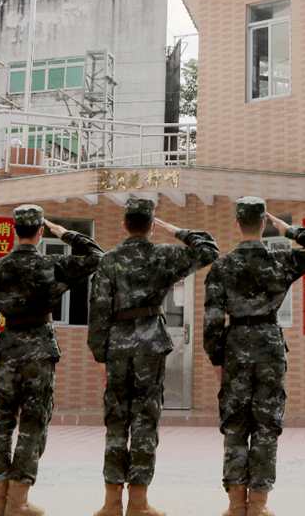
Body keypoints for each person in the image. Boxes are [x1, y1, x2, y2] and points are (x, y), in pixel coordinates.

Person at [87, 197, 219, 516]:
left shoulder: (109, 260)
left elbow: (98, 311)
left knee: (117, 422)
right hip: (150, 344)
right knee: (145, 421)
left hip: (117, 345)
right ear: (150, 224)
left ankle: (110, 502)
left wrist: (100, 355)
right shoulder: (163, 255)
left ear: (124, 224)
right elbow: (209, 250)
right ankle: (139, 502)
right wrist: (177, 230)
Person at [203, 199, 305, 516]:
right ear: (263, 223)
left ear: (237, 223)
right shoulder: (281, 260)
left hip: (234, 346)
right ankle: (259, 504)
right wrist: (289, 229)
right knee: (266, 425)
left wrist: (217, 360)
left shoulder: (222, 266)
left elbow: (211, 322)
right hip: (269, 347)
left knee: (235, 426)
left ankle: (236, 504)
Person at [0, 205, 104, 516]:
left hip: (7, 350)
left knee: (2, 426)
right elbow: (96, 256)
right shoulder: (51, 265)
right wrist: (65, 231)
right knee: (33, 424)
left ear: (15, 229)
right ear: (40, 231)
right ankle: (18, 500)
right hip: (39, 350)